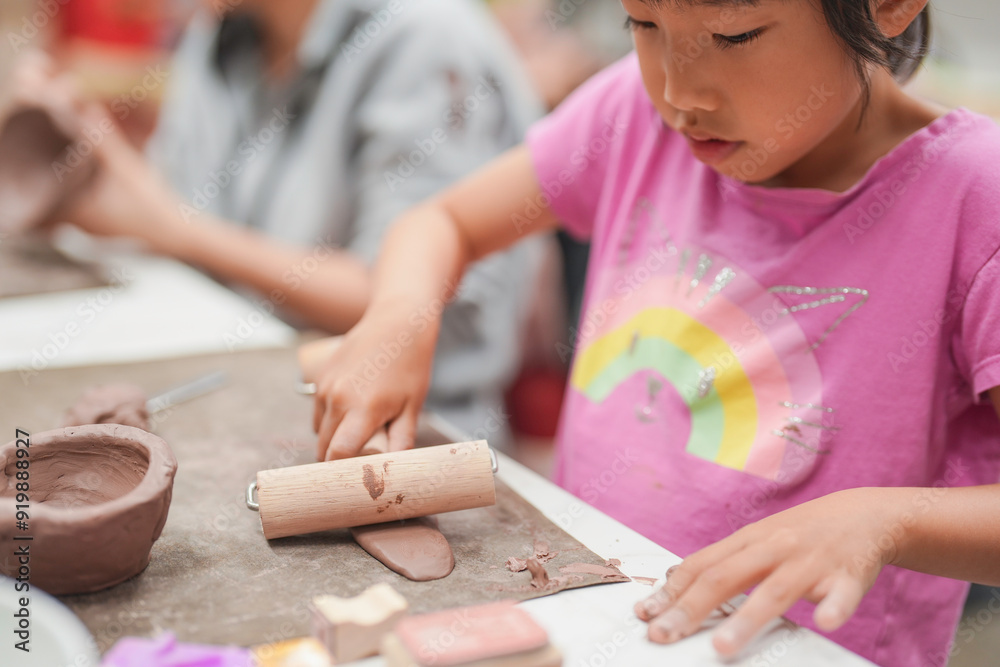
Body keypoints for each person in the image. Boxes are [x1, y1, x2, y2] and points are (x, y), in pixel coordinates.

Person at [309, 0, 1000, 664]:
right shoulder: (632, 117)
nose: (679, 91)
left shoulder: (975, 196)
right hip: (586, 625)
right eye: (643, 22)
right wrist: (400, 317)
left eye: (736, 36)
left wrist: (883, 522)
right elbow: (442, 223)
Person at [16, 0, 542, 447]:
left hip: (408, 432)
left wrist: (173, 226)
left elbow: (397, 300)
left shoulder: (425, 37)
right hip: (237, 391)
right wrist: (78, 152)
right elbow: (181, 215)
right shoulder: (222, 32)